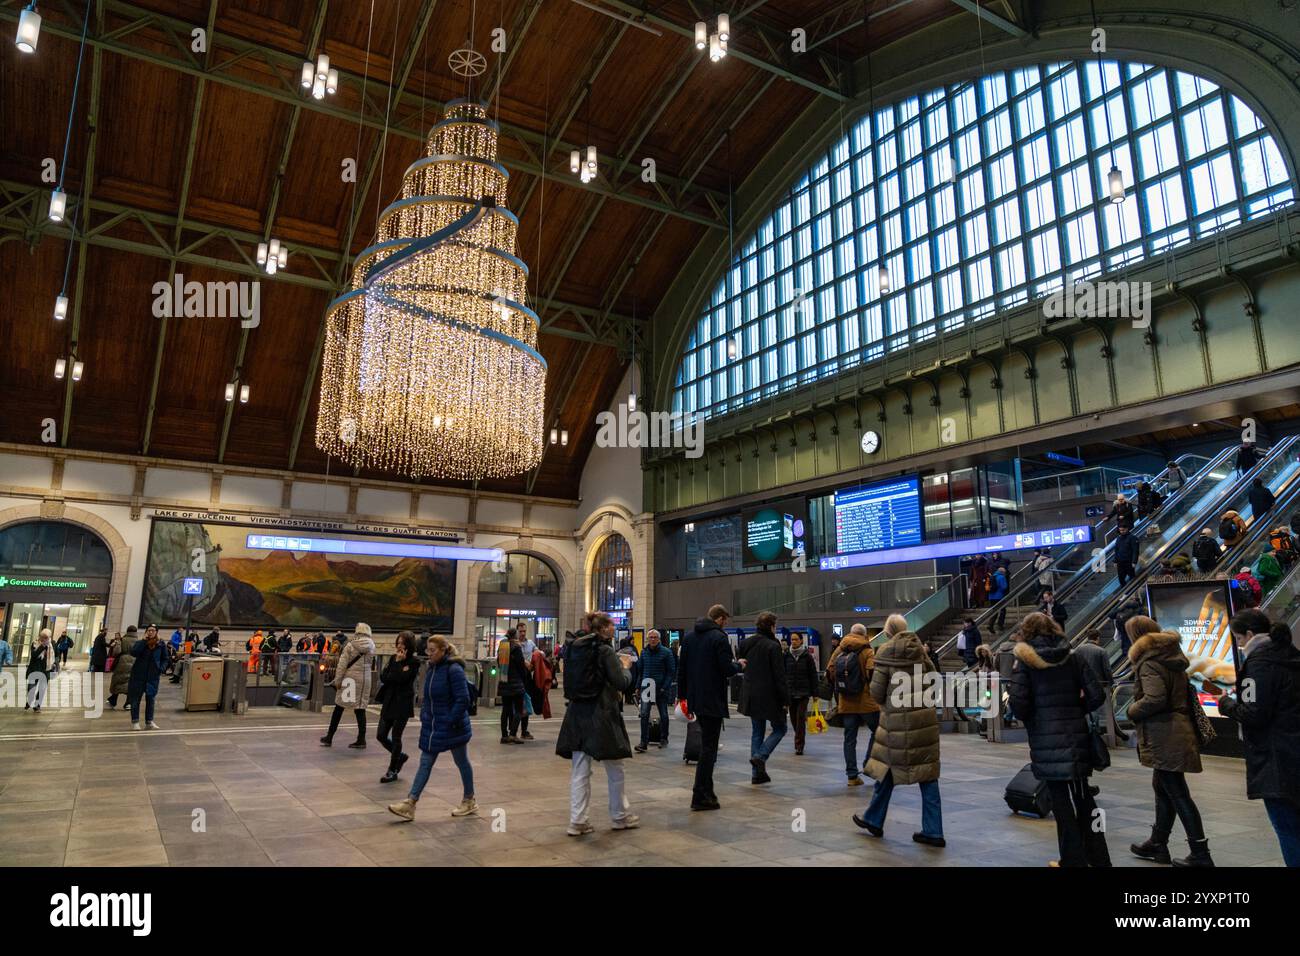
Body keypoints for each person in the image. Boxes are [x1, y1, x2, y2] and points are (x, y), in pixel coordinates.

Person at [1009, 612, 1110, 867]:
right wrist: (1077, 709)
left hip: (1046, 742)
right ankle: (1099, 859)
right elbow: (1097, 695)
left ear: (1028, 632)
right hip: (1076, 741)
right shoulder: (1072, 657)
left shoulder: (1026, 662)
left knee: (1062, 805)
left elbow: (1018, 705)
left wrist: (1037, 718)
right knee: (1086, 801)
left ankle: (1072, 860)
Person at [1204, 609, 1300, 866]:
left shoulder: (1258, 663)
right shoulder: (1289, 655)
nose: (1238, 644)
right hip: (1293, 748)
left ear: (1249, 634)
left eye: (1237, 638)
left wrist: (1224, 703)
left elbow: (1253, 713)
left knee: (1288, 829)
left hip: (1275, 757)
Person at [1125, 615, 1214, 867]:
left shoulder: (1149, 662)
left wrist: (1132, 711)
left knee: (1177, 793)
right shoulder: (1172, 657)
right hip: (1177, 730)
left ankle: (1200, 853)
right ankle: (1157, 844)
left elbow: (1155, 698)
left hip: (1165, 734)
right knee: (1163, 788)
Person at [853, 623, 943, 846]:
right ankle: (933, 831)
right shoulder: (921, 652)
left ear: (888, 632)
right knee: (928, 776)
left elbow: (875, 692)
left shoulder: (884, 653)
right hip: (923, 724)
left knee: (888, 771)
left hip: (896, 724)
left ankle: (874, 819)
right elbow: (935, 682)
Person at [555, 612, 638, 835]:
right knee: (615, 767)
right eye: (611, 625)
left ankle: (577, 821)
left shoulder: (574, 647)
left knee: (580, 769)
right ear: (601, 629)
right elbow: (620, 683)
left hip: (576, 713)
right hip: (602, 714)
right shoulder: (604, 650)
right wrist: (626, 667)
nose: (614, 628)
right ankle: (620, 816)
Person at [388, 635, 477, 821]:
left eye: (432, 650)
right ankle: (410, 803)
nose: (429, 654)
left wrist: (450, 720)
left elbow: (463, 699)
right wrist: (426, 715)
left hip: (453, 727)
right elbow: (429, 697)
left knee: (462, 762)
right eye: (427, 650)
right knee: (426, 762)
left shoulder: (454, 670)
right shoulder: (432, 669)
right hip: (435, 726)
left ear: (443, 650)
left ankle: (469, 800)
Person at [678, 604, 742, 811]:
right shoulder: (719, 638)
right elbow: (726, 669)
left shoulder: (689, 637)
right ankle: (700, 795)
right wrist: (739, 665)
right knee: (709, 749)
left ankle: (707, 792)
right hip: (713, 698)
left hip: (696, 698)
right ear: (721, 619)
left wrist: (682, 696)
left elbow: (683, 669)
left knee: (708, 745)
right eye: (725, 620)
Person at [829, 620, 885, 787]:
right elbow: (871, 672)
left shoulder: (840, 649)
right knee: (878, 731)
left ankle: (852, 776)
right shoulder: (867, 650)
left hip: (846, 702)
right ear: (864, 634)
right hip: (866, 701)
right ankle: (868, 762)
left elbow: (830, 671)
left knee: (849, 738)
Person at [737, 611, 788, 785]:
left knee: (757, 732)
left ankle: (756, 774)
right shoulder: (773, 646)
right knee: (780, 728)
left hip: (751, 694)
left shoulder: (746, 643)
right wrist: (785, 699)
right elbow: (779, 675)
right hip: (770, 695)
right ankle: (760, 756)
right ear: (772, 626)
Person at [320, 623, 375, 748]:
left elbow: (342, 665)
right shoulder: (372, 646)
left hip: (350, 680)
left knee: (339, 707)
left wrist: (337, 681)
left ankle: (329, 737)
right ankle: (361, 739)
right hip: (365, 680)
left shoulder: (350, 645)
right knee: (360, 709)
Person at [376, 631, 419, 783]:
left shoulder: (414, 662)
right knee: (380, 735)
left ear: (409, 645)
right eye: (398, 642)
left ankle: (393, 769)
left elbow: (403, 679)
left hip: (402, 704)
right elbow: (384, 677)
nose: (400, 646)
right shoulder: (393, 659)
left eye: (403, 643)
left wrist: (400, 665)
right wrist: (398, 667)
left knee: (396, 737)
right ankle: (400, 756)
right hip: (389, 701)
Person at [634, 629, 676, 753]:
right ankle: (643, 742)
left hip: (661, 687)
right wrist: (637, 686)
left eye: (654, 637)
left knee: (663, 714)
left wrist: (665, 687)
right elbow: (641, 671)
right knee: (644, 714)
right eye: (650, 637)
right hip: (646, 686)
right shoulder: (644, 652)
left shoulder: (666, 653)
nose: (652, 639)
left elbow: (671, 672)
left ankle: (663, 738)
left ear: (659, 639)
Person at [127, 625, 171, 730]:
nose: (151, 632)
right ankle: (135, 722)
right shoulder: (140, 643)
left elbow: (165, 658)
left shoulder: (161, 644)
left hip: (153, 676)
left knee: (151, 699)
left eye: (153, 630)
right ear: (146, 632)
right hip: (138, 675)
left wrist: (161, 668)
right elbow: (134, 653)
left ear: (156, 632)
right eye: (149, 630)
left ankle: (149, 721)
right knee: (135, 699)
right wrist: (143, 641)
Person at [783, 631, 818, 757]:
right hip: (791, 692)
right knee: (793, 719)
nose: (793, 642)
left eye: (796, 639)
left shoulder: (807, 656)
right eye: (792, 639)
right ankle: (799, 737)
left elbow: (813, 675)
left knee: (800, 718)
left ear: (801, 641)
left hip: (804, 692)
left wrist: (815, 693)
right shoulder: (786, 655)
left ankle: (799, 745)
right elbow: (783, 675)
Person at [497, 627, 528, 743]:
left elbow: (499, 663)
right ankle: (513, 734)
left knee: (506, 709)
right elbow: (521, 666)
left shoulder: (502, 647)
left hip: (504, 682)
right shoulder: (516, 647)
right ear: (515, 636)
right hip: (516, 684)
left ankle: (504, 736)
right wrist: (524, 680)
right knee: (519, 710)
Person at [25, 629, 53, 712]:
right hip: (34, 669)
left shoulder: (51, 645)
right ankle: (29, 701)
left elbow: (56, 655)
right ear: (40, 636)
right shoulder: (35, 643)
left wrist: (55, 663)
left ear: (49, 637)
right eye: (42, 637)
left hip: (45, 670)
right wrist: (42, 646)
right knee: (31, 688)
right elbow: (34, 655)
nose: (44, 639)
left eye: (46, 637)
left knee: (42, 689)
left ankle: (37, 706)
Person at [528, 638, 555, 723]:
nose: (523, 633)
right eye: (521, 631)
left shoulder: (531, 644)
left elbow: (538, 653)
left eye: (524, 631)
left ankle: (523, 731)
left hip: (529, 678)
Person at [107, 628, 136, 709]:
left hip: (122, 661)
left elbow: (116, 651)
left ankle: (113, 700)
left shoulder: (123, 640)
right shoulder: (138, 641)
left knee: (118, 680)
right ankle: (128, 703)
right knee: (130, 682)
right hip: (134, 662)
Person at [988, 564, 1009, 632]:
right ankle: (1000, 624)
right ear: (1003, 572)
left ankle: (990, 624)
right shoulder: (1001, 577)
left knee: (995, 611)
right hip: (999, 597)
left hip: (991, 597)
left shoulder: (992, 576)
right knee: (1003, 610)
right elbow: (1004, 587)